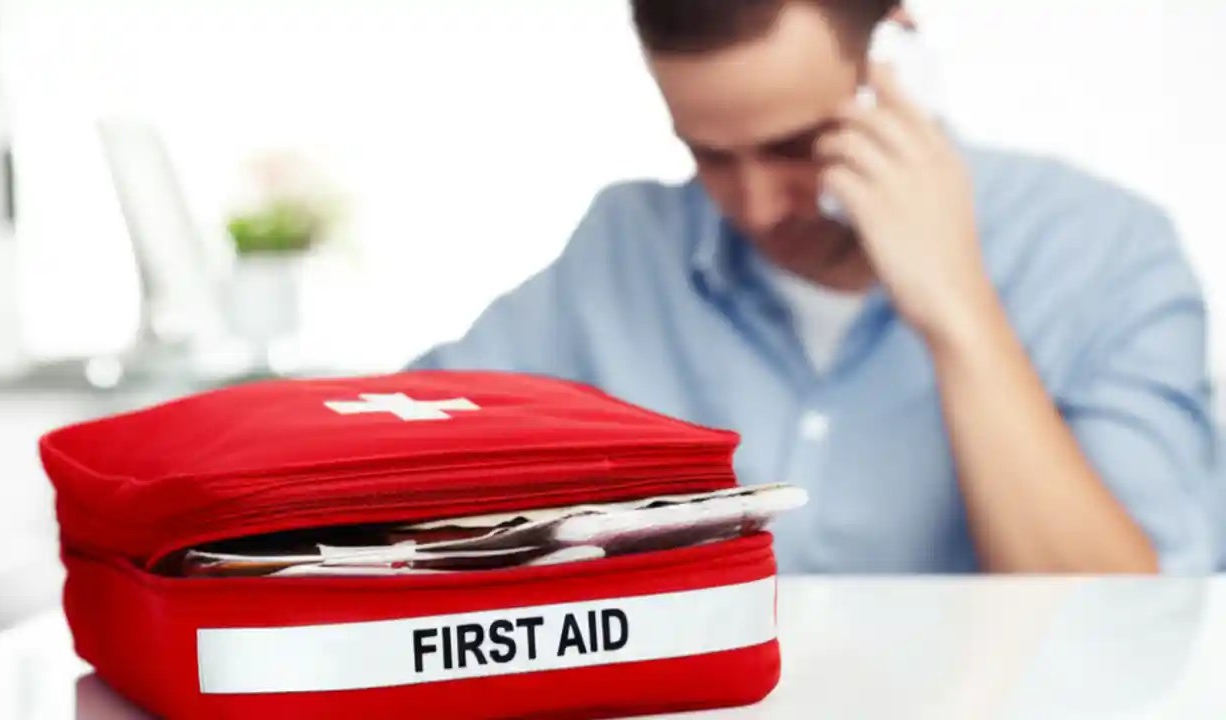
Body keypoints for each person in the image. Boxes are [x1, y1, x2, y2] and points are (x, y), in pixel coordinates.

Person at [410, 0, 1221, 574]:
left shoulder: (1107, 251)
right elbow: (390, 457)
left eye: (796, 145)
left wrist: (959, 317)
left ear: (900, 64)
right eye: (710, 155)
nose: (757, 209)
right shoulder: (625, 249)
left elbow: (1131, 626)